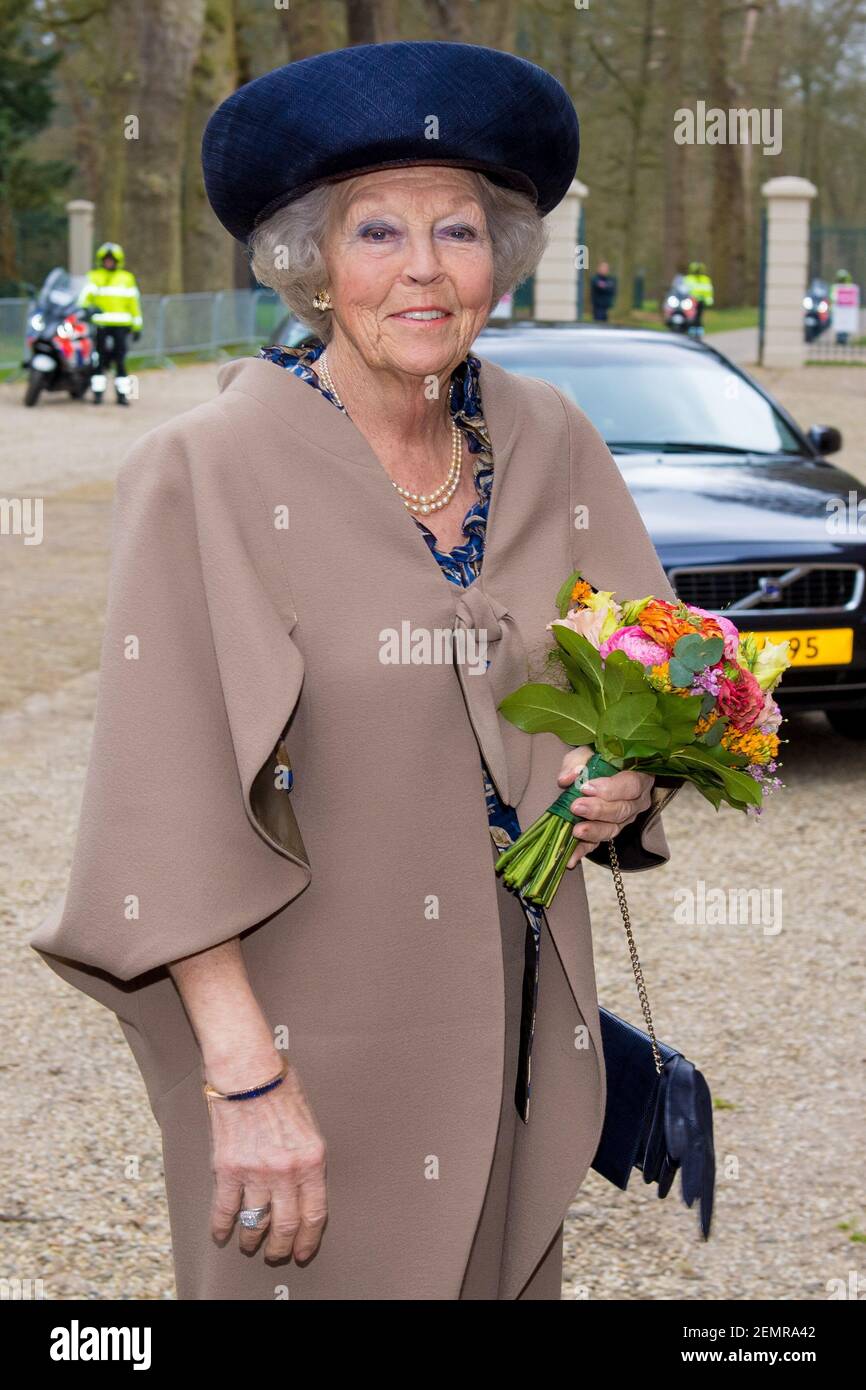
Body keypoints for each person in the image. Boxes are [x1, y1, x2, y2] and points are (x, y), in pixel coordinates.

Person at [30, 42, 682, 1302]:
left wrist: (633, 780)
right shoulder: (206, 471)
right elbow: (157, 811)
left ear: (503, 256)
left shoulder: (553, 441)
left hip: (517, 1034)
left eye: (460, 230)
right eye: (376, 231)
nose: (425, 270)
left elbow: (651, 666)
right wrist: (250, 1081)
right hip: (306, 1045)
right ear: (308, 266)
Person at [76, 241, 142, 404]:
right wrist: (86, 309)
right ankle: (98, 394)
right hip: (101, 325)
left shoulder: (127, 278)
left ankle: (123, 395)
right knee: (99, 360)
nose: (108, 263)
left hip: (122, 326)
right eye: (106, 260)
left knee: (120, 361)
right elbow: (83, 299)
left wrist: (137, 326)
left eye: (111, 260)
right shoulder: (94, 276)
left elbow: (134, 303)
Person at [684, 260, 714, 336]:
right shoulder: (688, 278)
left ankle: (698, 329)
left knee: (698, 316)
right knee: (691, 315)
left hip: (701, 300)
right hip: (690, 300)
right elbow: (683, 289)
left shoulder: (705, 279)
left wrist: (709, 299)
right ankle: (691, 328)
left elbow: (709, 290)